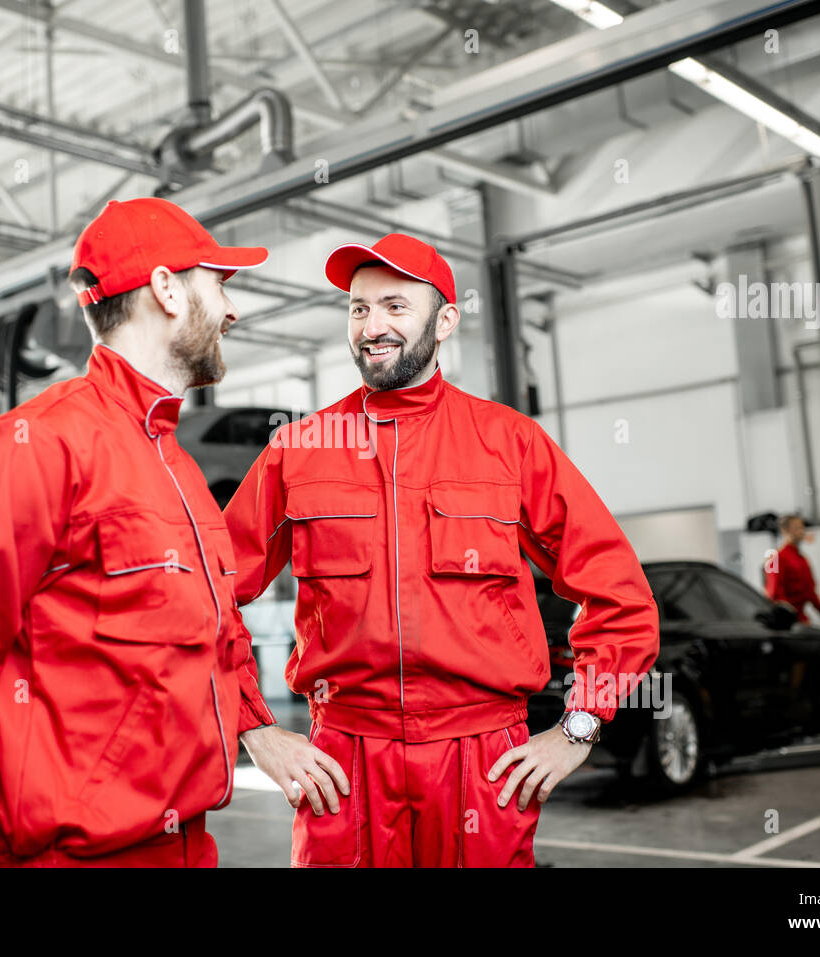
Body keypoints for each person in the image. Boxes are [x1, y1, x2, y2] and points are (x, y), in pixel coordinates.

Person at [0, 197, 281, 867]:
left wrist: (259, 728)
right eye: (220, 284)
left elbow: (217, 636)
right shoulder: (34, 447)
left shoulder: (176, 466)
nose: (232, 310)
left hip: (188, 845)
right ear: (168, 289)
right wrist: (19, 819)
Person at [229, 233, 659, 867]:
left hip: (483, 761)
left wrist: (579, 727)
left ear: (446, 320)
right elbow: (202, 595)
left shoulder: (509, 443)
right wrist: (254, 727)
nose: (372, 326)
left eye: (395, 307)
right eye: (358, 308)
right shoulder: (300, 449)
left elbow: (620, 596)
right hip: (345, 763)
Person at [764, 514, 820, 624]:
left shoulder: (802, 559)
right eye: (797, 528)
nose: (802, 531)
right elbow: (773, 594)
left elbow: (810, 592)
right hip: (786, 621)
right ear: (785, 531)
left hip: (802, 618)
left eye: (802, 528)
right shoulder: (774, 558)